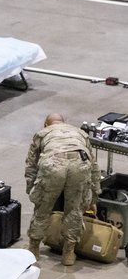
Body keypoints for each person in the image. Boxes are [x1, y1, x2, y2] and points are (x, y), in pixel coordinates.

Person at [24, 113, 100, 265]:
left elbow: (31, 165)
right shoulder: (80, 133)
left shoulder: (42, 133)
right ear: (64, 123)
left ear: (46, 124)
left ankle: (34, 248)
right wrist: (94, 195)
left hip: (53, 164)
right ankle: (68, 254)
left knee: (43, 208)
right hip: (79, 164)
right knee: (75, 210)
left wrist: (32, 189)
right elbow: (94, 165)